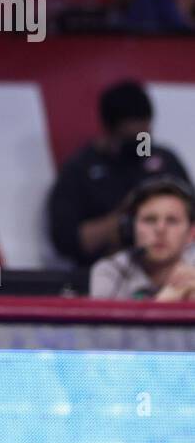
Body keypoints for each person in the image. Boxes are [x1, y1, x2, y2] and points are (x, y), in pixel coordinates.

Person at [49, 79, 191, 266]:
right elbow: (67, 241)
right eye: (131, 140)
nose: (140, 147)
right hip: (104, 275)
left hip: (169, 272)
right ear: (108, 131)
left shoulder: (165, 161)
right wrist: (124, 217)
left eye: (144, 137)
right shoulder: (79, 171)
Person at [89, 178, 195, 300]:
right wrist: (164, 303)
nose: (160, 229)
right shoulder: (111, 270)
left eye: (172, 221)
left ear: (191, 233)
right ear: (129, 228)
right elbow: (104, 319)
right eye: (150, 220)